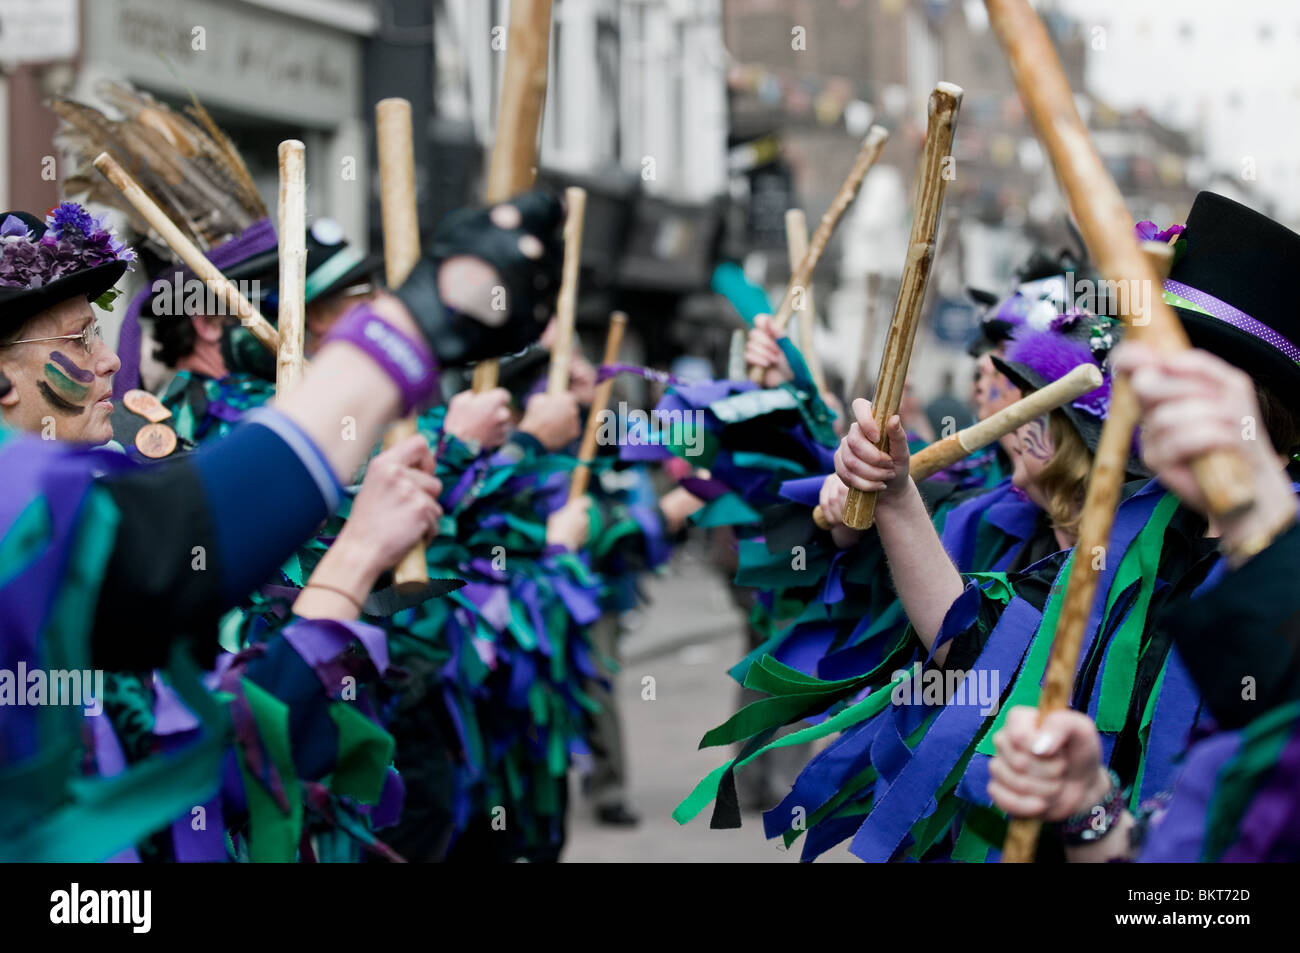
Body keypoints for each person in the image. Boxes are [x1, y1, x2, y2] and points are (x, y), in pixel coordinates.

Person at [0, 184, 566, 860]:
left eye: (98, 329)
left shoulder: (101, 497)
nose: (111, 360)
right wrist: (411, 330)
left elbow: (208, 766)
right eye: (78, 336)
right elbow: (173, 554)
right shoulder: (84, 501)